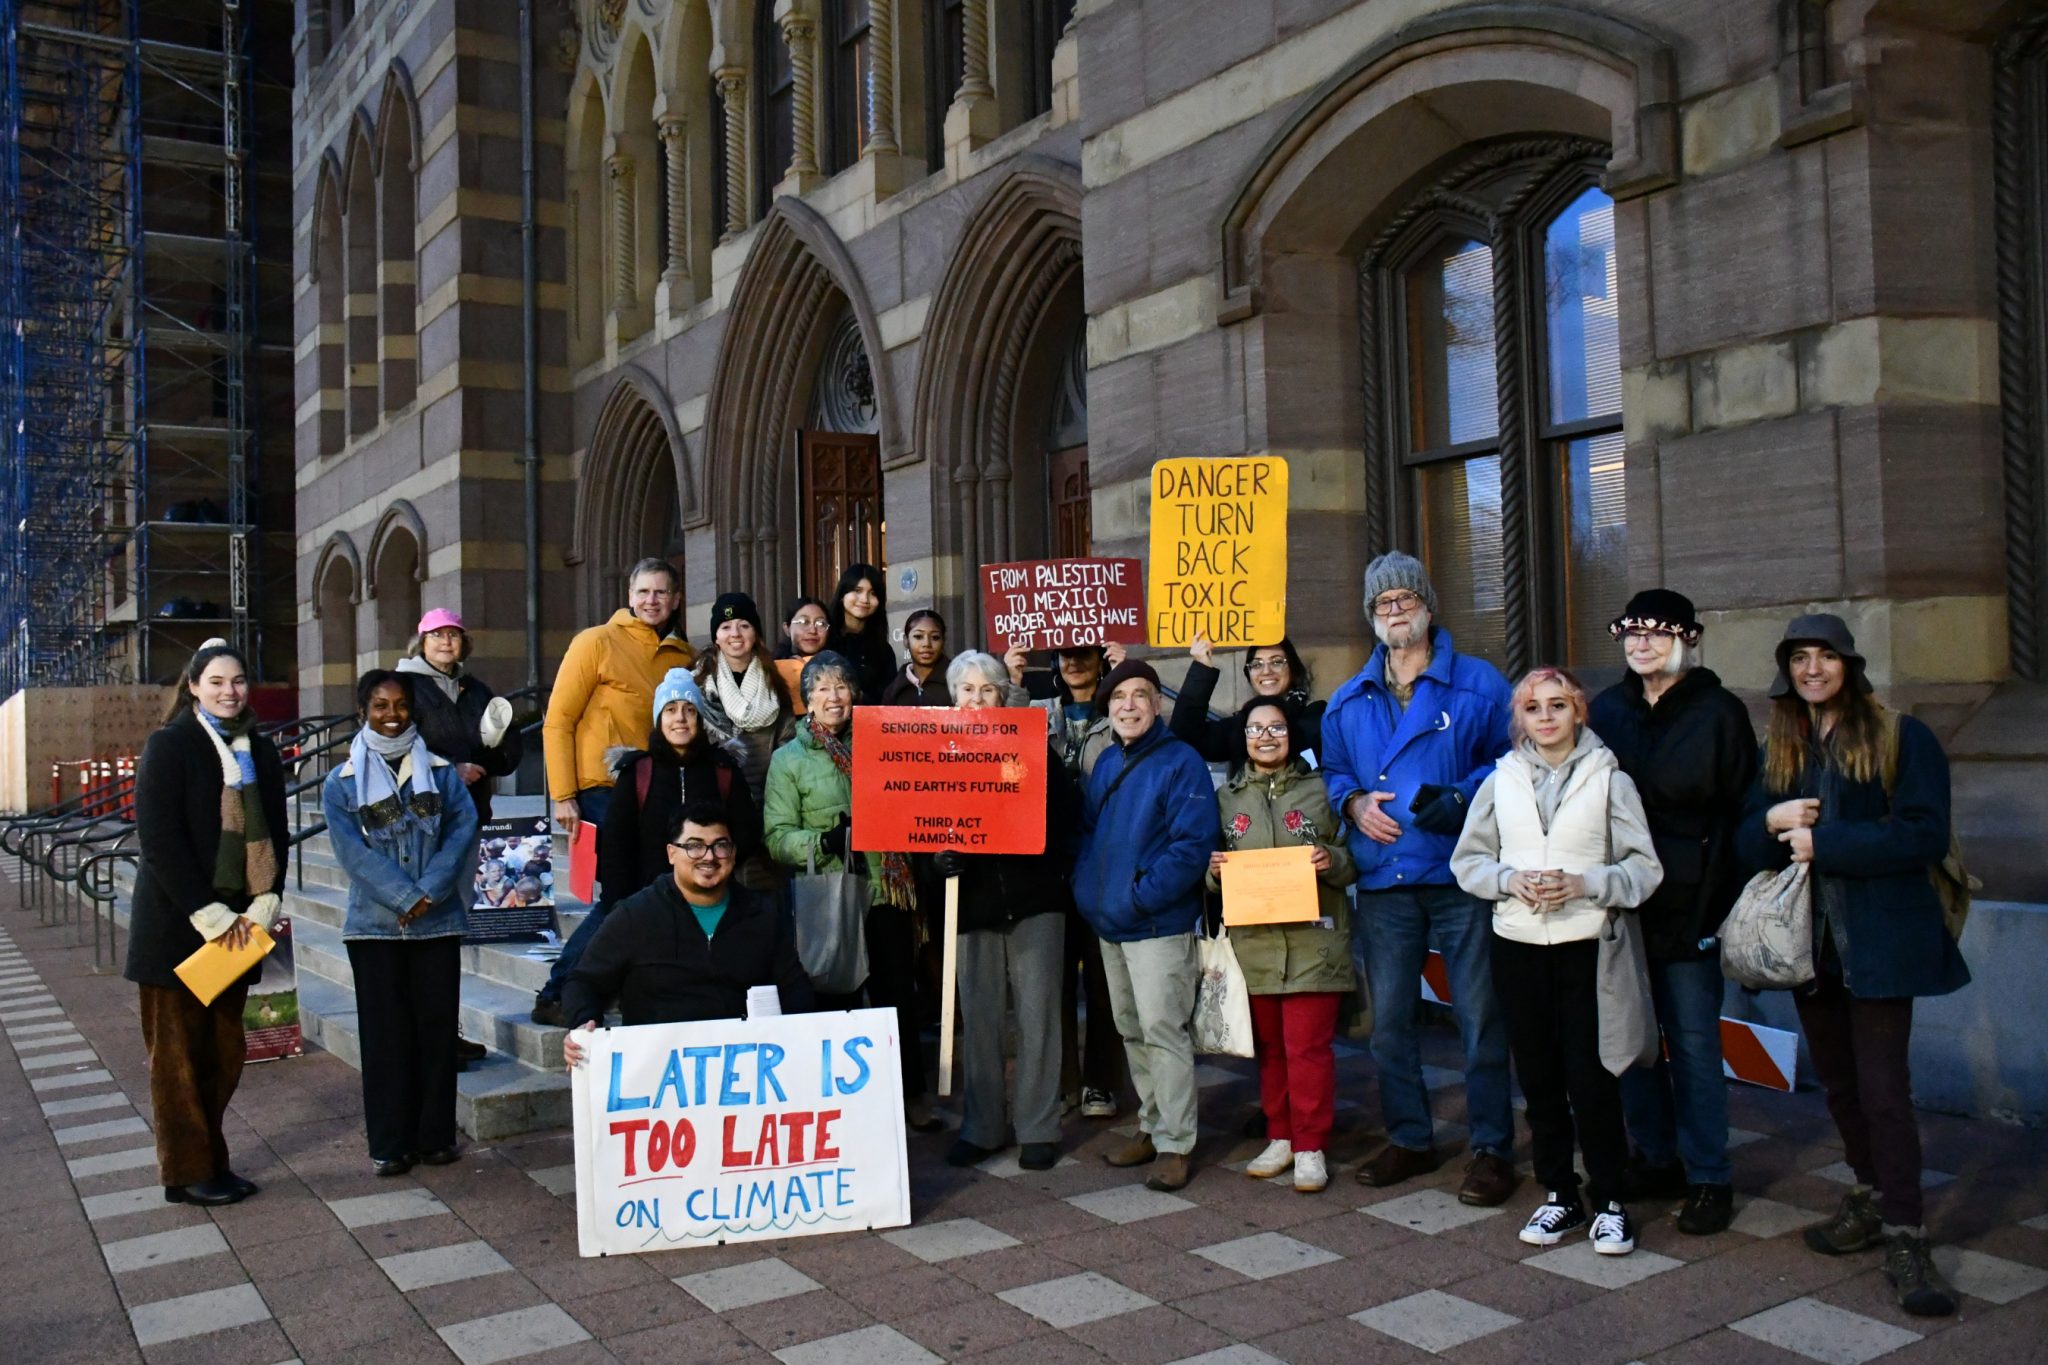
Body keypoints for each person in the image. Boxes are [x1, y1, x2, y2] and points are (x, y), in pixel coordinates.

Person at [1736, 614, 1969, 1317]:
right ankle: (1868, 1195)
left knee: (1883, 1090)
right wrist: (1773, 823)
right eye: (1800, 657)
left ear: (1849, 663)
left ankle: (1906, 1231)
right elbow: (1748, 837)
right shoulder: (1780, 744)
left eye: (1826, 656)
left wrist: (1826, 841)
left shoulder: (1902, 735)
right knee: (1839, 1083)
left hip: (1881, 941)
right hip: (1812, 946)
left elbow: (1924, 831)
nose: (1813, 669)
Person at [1320, 550, 1517, 1205]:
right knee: (1390, 1023)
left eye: (1405, 598)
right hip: (1385, 879)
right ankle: (1410, 1135)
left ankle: (1491, 1146)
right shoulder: (1348, 700)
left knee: (1480, 1016)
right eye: (1383, 602)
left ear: (1428, 607)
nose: (1395, 609)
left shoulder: (1480, 685)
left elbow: (1515, 760)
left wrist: (1466, 793)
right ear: (1372, 616)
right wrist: (1351, 804)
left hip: (1459, 871)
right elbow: (1336, 774)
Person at [1452, 667, 1663, 1255]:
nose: (1546, 717)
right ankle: (1559, 1193)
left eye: (1557, 705)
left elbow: (1644, 869)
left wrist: (1584, 883)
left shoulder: (1608, 778)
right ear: (1519, 718)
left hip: (1587, 945)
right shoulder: (1501, 780)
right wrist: (1510, 879)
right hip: (1518, 944)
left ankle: (1612, 1198)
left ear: (1578, 713)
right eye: (1534, 708)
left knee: (1591, 1076)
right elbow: (1468, 862)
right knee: (1539, 1076)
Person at [1586, 590, 1756, 1234]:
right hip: (1624, 906)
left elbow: (1743, 813)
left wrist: (1725, 900)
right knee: (1630, 1042)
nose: (1642, 644)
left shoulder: (1718, 713)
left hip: (1694, 903)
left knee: (1691, 1043)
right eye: (1631, 632)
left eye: (1657, 633)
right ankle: (1656, 1157)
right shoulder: (1606, 710)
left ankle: (1710, 1173)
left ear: (1687, 638)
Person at [127, 639, 289, 1206]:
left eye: (238, 680)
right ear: (193, 686)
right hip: (177, 929)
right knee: (176, 1063)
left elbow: (277, 834)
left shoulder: (260, 753)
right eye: (217, 681)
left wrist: (265, 902)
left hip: (240, 928)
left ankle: (211, 1161)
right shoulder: (170, 746)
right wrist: (211, 914)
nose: (229, 691)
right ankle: (187, 1172)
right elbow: (160, 841)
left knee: (223, 1053)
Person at [763, 651, 939, 1130]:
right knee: (833, 995)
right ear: (807, 699)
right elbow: (776, 837)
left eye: (841, 686)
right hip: (830, 892)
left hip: (886, 888)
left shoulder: (884, 740)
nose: (833, 697)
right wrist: (821, 841)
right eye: (821, 688)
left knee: (896, 994)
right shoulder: (788, 759)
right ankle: (841, 1103)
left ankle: (910, 1095)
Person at [322, 671, 480, 1176]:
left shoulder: (442, 772)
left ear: (414, 710)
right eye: (379, 705)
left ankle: (434, 1138)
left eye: (400, 705)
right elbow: (352, 852)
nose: (392, 715)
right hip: (374, 927)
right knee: (385, 1038)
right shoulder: (340, 782)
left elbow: (461, 831)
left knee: (435, 1035)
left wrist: (428, 892)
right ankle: (390, 1144)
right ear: (363, 710)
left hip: (437, 923)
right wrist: (401, 896)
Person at [539, 668, 762, 1019]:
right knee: (602, 932)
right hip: (645, 892)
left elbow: (746, 829)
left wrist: (717, 865)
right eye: (671, 710)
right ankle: (556, 996)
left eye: (689, 710)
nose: (681, 719)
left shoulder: (722, 769)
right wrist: (620, 893)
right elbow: (617, 838)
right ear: (659, 718)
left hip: (707, 891)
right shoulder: (638, 771)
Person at [929, 651, 1079, 1170]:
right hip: (969, 901)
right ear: (953, 697)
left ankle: (1038, 1126)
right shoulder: (932, 754)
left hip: (1034, 898)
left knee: (1039, 1015)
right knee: (982, 1017)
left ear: (1002, 695)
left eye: (987, 690)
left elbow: (1063, 817)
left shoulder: (1034, 747)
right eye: (966, 690)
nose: (976, 699)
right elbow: (914, 819)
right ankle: (984, 1125)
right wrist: (936, 858)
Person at [1074, 658, 1219, 1192]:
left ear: (1158, 705)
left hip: (1155, 924)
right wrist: (1091, 893)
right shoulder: (1108, 763)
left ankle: (1177, 1143)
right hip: (1110, 921)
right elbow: (1089, 834)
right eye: (1118, 697)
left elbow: (1190, 848)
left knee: (1163, 1031)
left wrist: (1136, 898)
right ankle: (1152, 1124)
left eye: (1140, 695)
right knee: (1131, 1028)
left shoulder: (1181, 762)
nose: (1129, 705)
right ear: (1108, 709)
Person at [1211, 698, 1356, 1193]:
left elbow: (1354, 859)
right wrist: (1214, 876)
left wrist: (1330, 859)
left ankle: (1311, 1143)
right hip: (1257, 945)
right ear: (1243, 738)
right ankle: (1280, 1136)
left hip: (1315, 942)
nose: (1266, 736)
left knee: (1308, 1048)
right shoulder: (1227, 798)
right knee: (1271, 1049)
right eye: (1255, 728)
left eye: (1276, 727)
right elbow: (1214, 872)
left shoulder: (1322, 790)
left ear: (1292, 734)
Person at [560, 804, 814, 1053]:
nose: (709, 856)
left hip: (746, 1069)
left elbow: (794, 988)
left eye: (720, 845)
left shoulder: (762, 913)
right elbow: (582, 982)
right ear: (671, 853)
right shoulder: (635, 915)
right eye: (694, 846)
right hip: (659, 1071)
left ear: (733, 853)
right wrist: (584, 1024)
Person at [397, 607, 523, 1067]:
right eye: (437, 635)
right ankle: (424, 1037)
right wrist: (449, 769)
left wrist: (493, 748)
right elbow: (393, 748)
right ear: (421, 640)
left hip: (468, 818)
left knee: (451, 927)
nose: (446, 642)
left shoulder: (475, 690)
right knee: (426, 924)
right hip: (421, 823)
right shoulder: (403, 687)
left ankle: (444, 1031)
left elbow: (509, 752)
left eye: (453, 635)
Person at [1014, 641, 1127, 1119]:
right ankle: (1064, 1081)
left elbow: (1151, 734)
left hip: (1102, 862)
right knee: (1053, 979)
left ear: (1101, 659)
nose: (1074, 662)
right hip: (1049, 863)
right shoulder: (1038, 711)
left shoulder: (1118, 711)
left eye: (1083, 653)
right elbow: (1008, 737)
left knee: (1103, 979)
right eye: (1063, 655)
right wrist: (1014, 684)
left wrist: (1124, 680)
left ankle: (1100, 1083)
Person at [541, 558, 695, 842]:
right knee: (619, 879)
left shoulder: (685, 656)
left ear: (675, 600)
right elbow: (559, 720)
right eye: (643, 592)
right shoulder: (596, 641)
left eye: (661, 593)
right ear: (630, 597)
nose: (651, 600)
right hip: (602, 788)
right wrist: (563, 795)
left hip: (660, 785)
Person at [1171, 635, 1325, 768]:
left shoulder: (1319, 720)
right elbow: (1185, 736)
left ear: (1293, 669)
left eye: (1277, 662)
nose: (1266, 671)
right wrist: (1202, 667)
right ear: (1249, 674)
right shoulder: (1239, 726)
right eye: (1257, 664)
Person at [823, 562, 897, 703]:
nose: (864, 599)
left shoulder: (883, 651)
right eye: (857, 590)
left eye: (873, 593)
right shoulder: (824, 638)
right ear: (842, 594)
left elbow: (887, 700)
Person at [879, 609, 953, 706]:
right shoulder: (894, 691)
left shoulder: (958, 681)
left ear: (943, 641)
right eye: (918, 636)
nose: (926, 644)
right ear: (906, 641)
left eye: (935, 637)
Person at [773, 595, 831, 698]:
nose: (813, 630)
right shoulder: (772, 667)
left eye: (820, 623)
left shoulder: (838, 666)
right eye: (803, 622)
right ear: (787, 629)